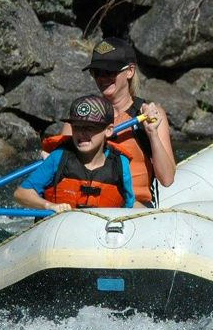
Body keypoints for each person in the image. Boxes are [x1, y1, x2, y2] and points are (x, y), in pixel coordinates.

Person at [50, 37, 176, 206]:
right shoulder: (79, 119)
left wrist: (152, 134)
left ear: (130, 71)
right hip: (87, 208)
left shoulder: (148, 114)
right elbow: (57, 173)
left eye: (110, 72)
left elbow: (167, 179)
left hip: (135, 209)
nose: (102, 78)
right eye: (97, 72)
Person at [16, 94, 136, 211]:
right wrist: (50, 206)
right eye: (77, 127)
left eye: (89, 128)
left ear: (108, 130)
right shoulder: (58, 157)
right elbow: (21, 193)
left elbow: (129, 206)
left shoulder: (120, 164)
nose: (81, 133)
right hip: (60, 226)